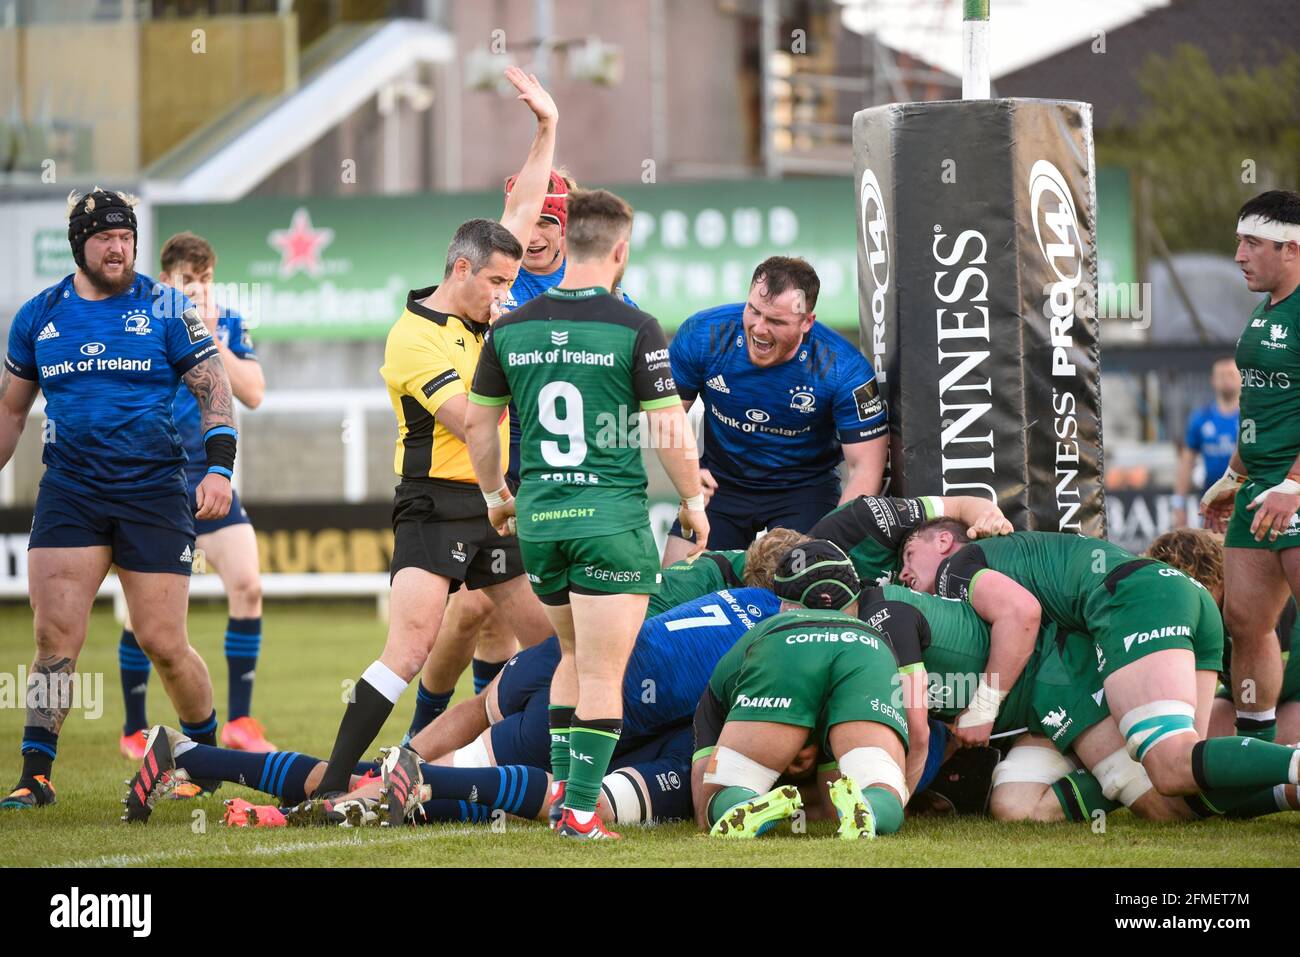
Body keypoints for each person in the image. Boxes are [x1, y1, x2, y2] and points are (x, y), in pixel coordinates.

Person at [465, 188, 708, 839]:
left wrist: (495, 495)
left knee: (571, 657)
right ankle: (578, 811)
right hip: (610, 524)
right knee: (604, 672)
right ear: (621, 250)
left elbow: (480, 427)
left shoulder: (509, 326)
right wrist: (692, 499)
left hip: (540, 523)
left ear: (567, 241)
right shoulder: (634, 326)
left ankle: (560, 800)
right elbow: (669, 431)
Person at [1, 188, 233, 809]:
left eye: (127, 236)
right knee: (54, 639)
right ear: (80, 243)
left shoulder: (166, 306)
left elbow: (214, 388)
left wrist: (219, 468)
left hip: (154, 490)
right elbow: (10, 411)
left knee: (162, 640)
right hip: (70, 491)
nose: (118, 246)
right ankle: (36, 774)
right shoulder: (39, 314)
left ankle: (205, 758)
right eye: (105, 236)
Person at [898, 523, 1300, 809]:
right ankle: (1285, 792)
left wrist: (982, 708)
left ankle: (1292, 762)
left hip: (1133, 598)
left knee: (1171, 766)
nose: (903, 571)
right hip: (1171, 597)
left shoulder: (956, 570)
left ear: (945, 541)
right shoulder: (1005, 555)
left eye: (910, 554)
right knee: (1181, 787)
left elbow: (1022, 614)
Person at [117, 231, 273, 763]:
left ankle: (241, 722)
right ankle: (134, 727)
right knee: (142, 616)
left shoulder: (224, 320)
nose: (200, 289)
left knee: (248, 585)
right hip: (155, 483)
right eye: (189, 281)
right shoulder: (142, 319)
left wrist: (212, 340)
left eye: (206, 280)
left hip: (211, 477)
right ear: (166, 280)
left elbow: (253, 392)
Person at [660, 258, 888, 565]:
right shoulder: (703, 335)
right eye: (753, 311)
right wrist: (688, 477)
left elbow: (866, 468)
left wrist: (832, 544)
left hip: (803, 488)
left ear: (807, 321)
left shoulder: (843, 368)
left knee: (810, 585)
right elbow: (666, 419)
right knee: (677, 587)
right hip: (720, 482)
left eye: (776, 322)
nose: (760, 329)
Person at [691, 541, 925, 839]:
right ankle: (873, 808)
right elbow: (919, 736)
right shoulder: (877, 630)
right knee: (879, 780)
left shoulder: (765, 630)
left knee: (719, 796)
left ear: (786, 606)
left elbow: (706, 731)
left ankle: (747, 802)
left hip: (781, 646)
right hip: (867, 648)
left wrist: (709, 799)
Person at [1200, 189, 1300, 747]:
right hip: (1262, 486)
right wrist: (1234, 476)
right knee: (1246, 624)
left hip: (1292, 488)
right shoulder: (1265, 310)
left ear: (1291, 249)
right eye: (1239, 240)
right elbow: (1259, 405)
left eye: (1251, 243)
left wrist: (1294, 485)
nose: (1238, 254)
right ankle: (1257, 758)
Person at [1172, 358, 1239, 528]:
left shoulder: (1252, 417)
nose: (1226, 379)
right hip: (1213, 505)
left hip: (1245, 502)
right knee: (1214, 552)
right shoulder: (1201, 418)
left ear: (1241, 378)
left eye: (1231, 374)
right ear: (1213, 381)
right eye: (1221, 375)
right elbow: (1186, 463)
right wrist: (1179, 504)